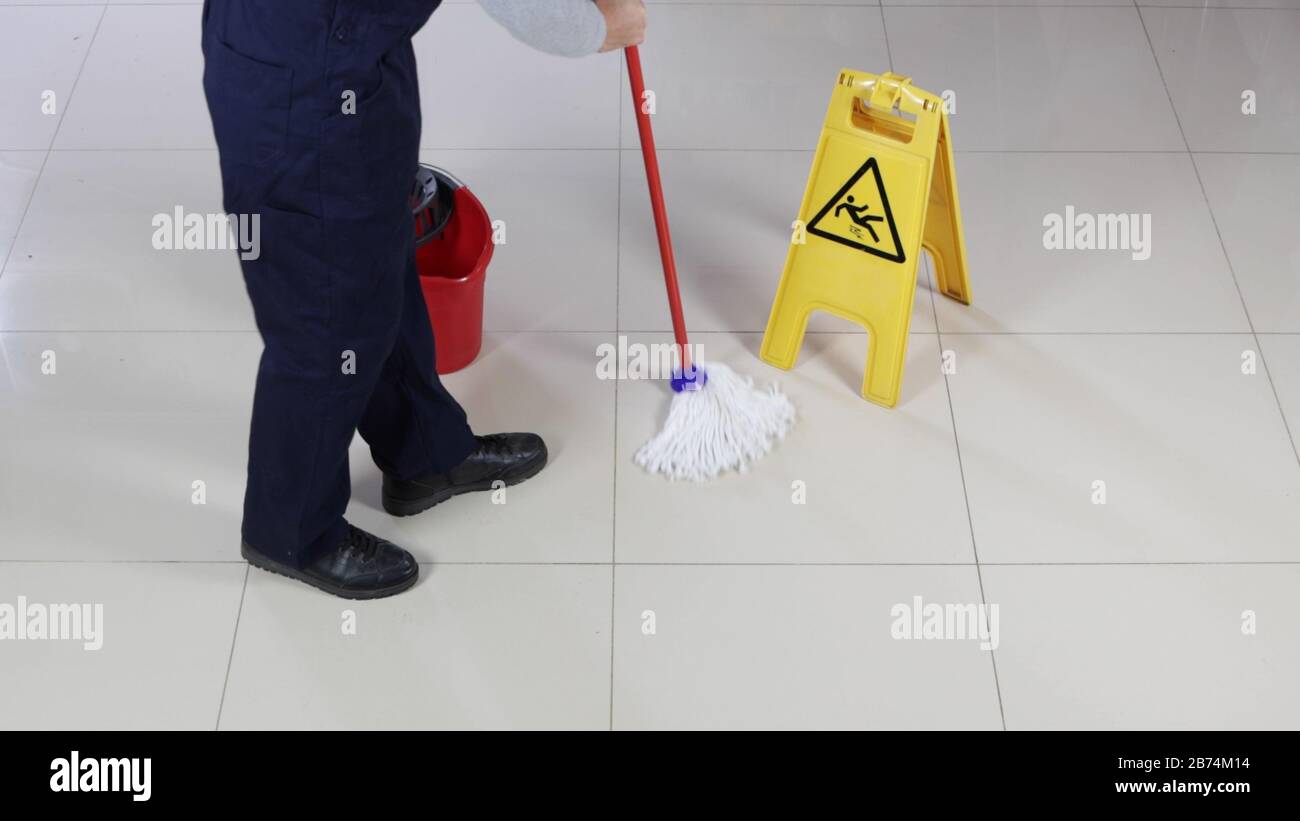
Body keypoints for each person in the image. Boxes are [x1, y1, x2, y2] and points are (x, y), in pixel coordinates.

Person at [201, 0, 647, 599]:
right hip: (300, 85)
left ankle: (423, 453)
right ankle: (290, 530)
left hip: (352, 55)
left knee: (377, 265)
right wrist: (599, 25)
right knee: (326, 319)